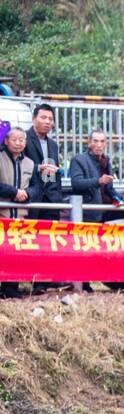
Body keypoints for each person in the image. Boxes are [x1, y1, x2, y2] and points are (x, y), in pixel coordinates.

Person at [69, 130, 124, 225]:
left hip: (108, 208)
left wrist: (123, 197)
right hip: (90, 210)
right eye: (95, 141)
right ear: (89, 143)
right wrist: (98, 181)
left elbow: (110, 190)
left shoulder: (106, 161)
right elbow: (76, 183)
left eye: (102, 141)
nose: (99, 145)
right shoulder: (79, 159)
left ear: (106, 144)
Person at [0, 127, 35, 297]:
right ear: (6, 141)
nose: (18, 143)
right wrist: (13, 192)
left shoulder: (30, 163)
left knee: (15, 252)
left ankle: (11, 289)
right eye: (14, 139)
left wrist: (28, 193)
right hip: (2, 215)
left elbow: (37, 187)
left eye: (22, 140)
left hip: (20, 215)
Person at [23, 104, 62, 223]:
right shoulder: (23, 138)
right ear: (34, 119)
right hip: (30, 197)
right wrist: (38, 168)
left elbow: (55, 171)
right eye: (43, 117)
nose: (47, 122)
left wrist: (57, 196)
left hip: (51, 200)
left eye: (50, 119)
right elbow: (17, 164)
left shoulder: (53, 145)